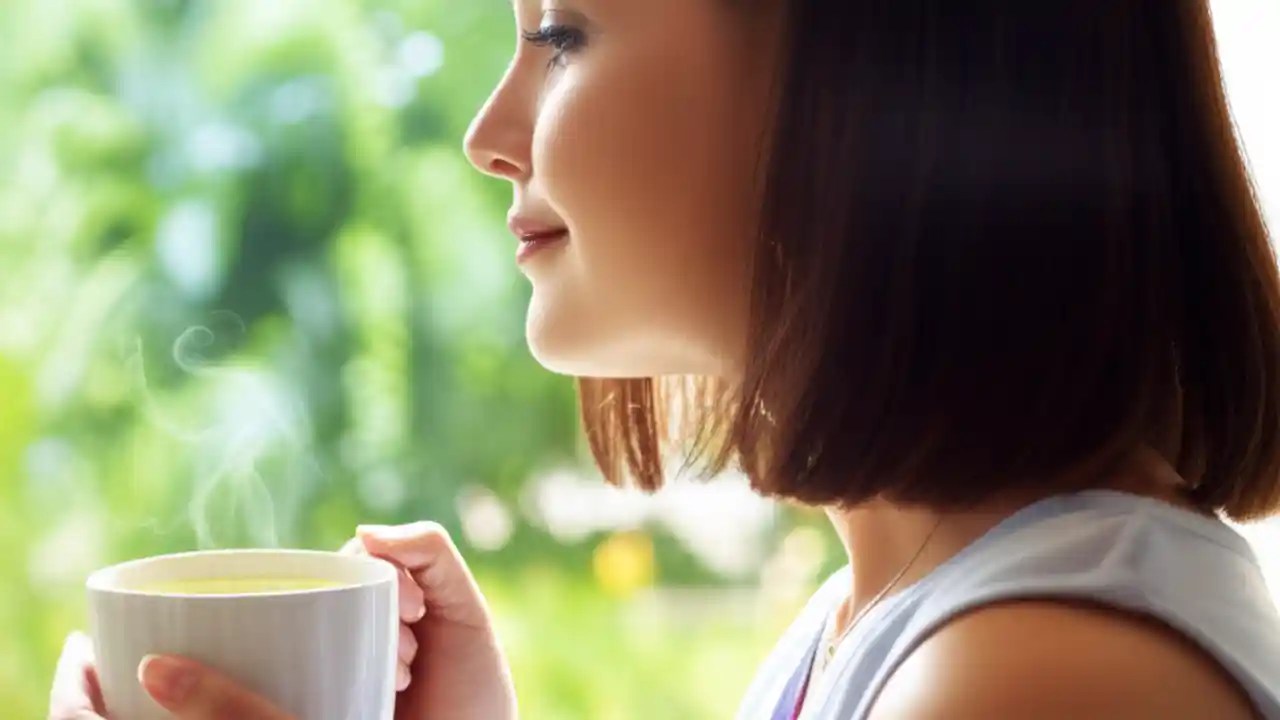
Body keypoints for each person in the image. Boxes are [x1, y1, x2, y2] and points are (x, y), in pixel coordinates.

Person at [49, 0, 1280, 718]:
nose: (489, 134)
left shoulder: (1032, 680)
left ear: (865, 75)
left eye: (564, 33)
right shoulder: (882, 618)